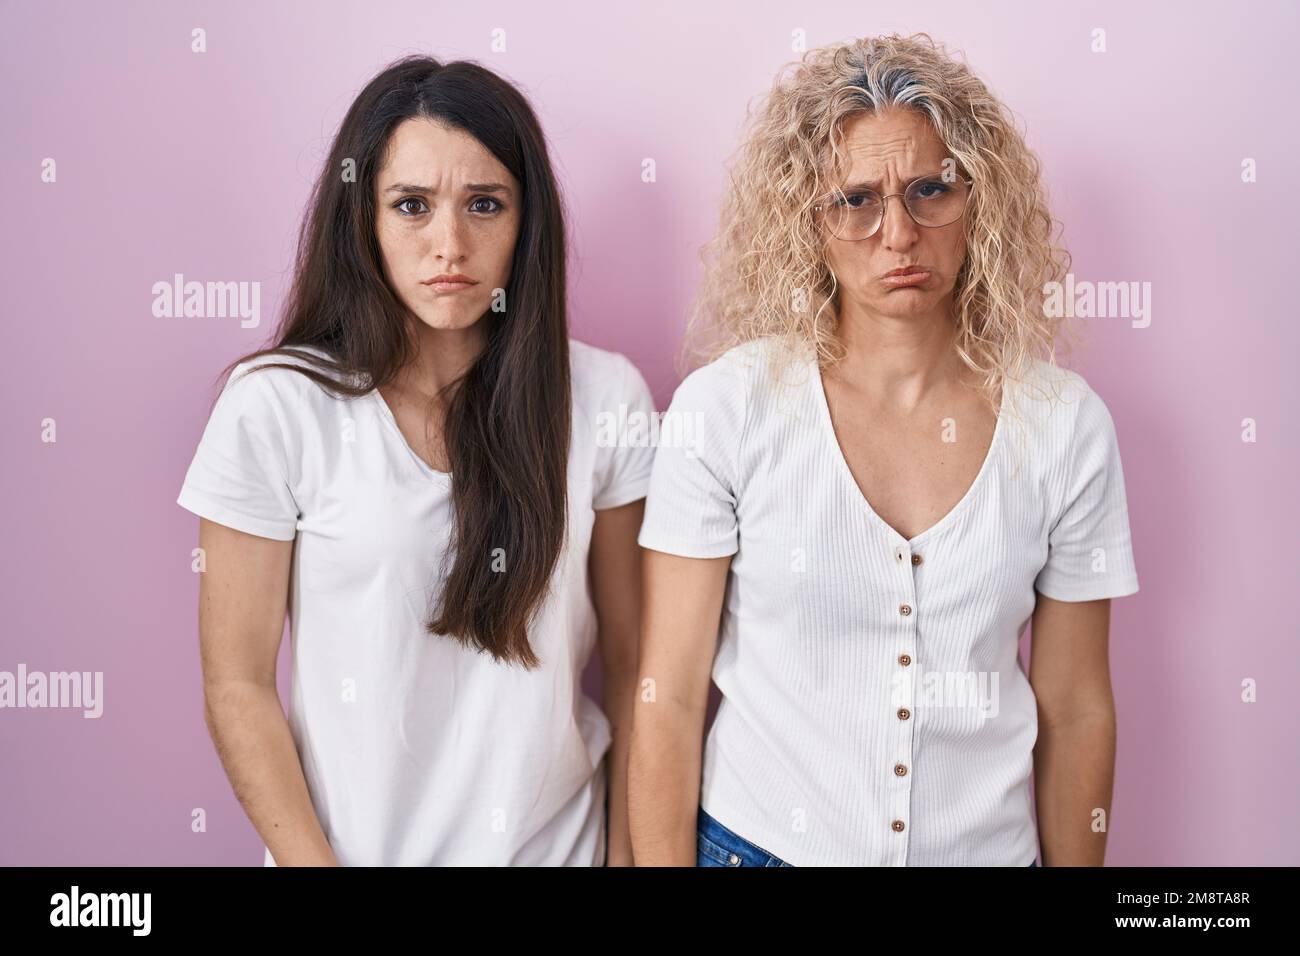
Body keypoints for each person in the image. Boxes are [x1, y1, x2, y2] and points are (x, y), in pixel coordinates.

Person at [629, 34, 1139, 867]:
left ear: (978, 203)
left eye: (931, 190)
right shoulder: (726, 409)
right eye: (855, 200)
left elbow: (1078, 705)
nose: (897, 232)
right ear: (808, 222)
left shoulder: (1065, 427)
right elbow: (668, 696)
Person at [177, 55, 654, 866]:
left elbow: (640, 668)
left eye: (485, 205)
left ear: (526, 220)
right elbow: (238, 685)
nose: (450, 244)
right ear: (361, 219)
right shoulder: (275, 407)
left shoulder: (606, 398)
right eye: (411, 206)